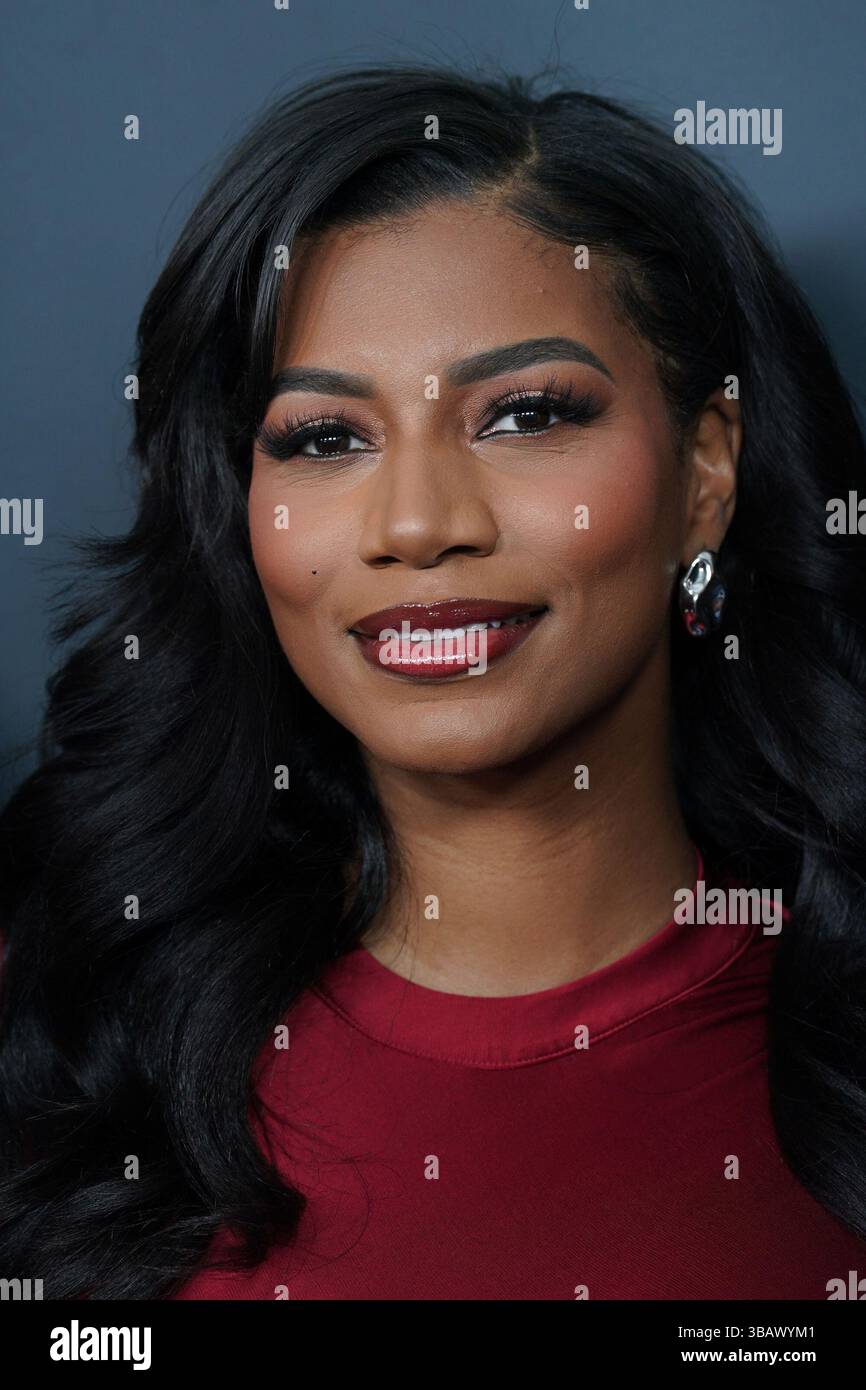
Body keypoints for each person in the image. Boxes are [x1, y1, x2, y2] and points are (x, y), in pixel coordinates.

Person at [2, 63, 865, 1300]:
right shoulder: (63, 1016)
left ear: (705, 471)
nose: (415, 524)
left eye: (521, 416)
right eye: (322, 437)